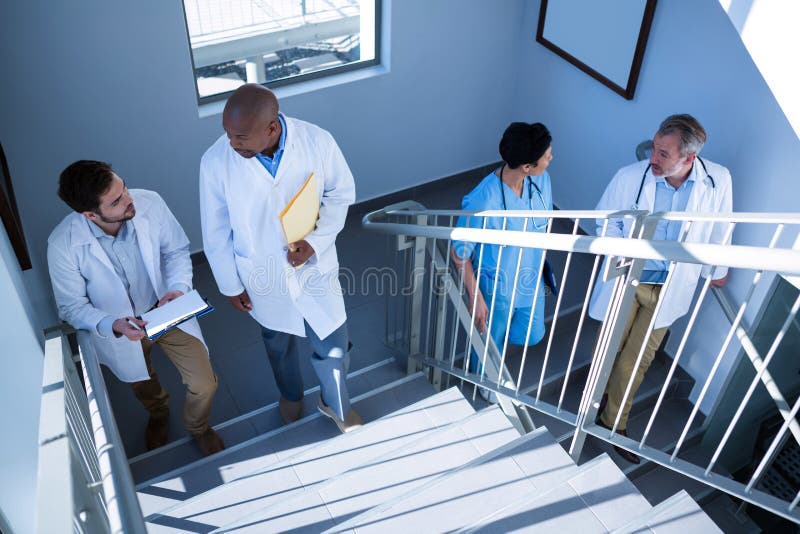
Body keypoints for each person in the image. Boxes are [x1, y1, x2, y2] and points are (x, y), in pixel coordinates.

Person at [199, 84, 361, 433]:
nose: (232, 144)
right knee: (277, 342)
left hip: (314, 266)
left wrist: (316, 241)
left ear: (272, 129)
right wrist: (229, 284)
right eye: (227, 134)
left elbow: (341, 192)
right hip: (261, 272)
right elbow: (215, 231)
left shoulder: (317, 141)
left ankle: (336, 404)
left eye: (240, 136)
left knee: (333, 343)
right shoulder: (214, 162)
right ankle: (290, 395)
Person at [47, 160, 224, 455]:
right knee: (142, 381)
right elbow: (71, 307)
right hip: (121, 327)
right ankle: (158, 415)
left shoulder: (149, 202)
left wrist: (177, 287)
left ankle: (198, 427)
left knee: (204, 383)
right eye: (117, 200)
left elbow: (176, 250)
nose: (130, 199)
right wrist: (112, 324)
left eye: (124, 187)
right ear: (91, 215)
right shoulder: (62, 244)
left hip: (164, 309)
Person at [589, 114, 733, 463]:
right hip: (628, 277)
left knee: (637, 359)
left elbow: (721, 225)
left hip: (670, 285)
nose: (652, 158)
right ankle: (593, 402)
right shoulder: (630, 176)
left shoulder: (717, 180)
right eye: (654, 147)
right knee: (611, 346)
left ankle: (614, 422)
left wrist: (718, 268)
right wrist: (626, 248)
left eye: (663, 153)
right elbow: (604, 220)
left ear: (689, 158)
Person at [452, 122, 554, 392]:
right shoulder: (484, 201)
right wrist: (476, 297)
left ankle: (491, 351)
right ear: (527, 167)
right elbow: (459, 253)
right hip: (497, 285)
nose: (551, 158)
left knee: (532, 334)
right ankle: (485, 382)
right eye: (547, 155)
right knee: (490, 341)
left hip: (530, 278)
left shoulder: (541, 180)